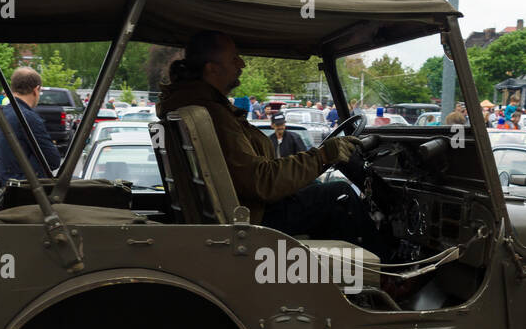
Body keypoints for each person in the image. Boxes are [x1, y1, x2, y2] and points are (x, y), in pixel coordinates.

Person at [154, 30, 380, 255]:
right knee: (339, 194)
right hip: (251, 222)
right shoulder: (215, 116)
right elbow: (260, 181)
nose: (241, 64)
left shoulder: (200, 107)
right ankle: (388, 277)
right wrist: (321, 156)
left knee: (315, 188)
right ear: (212, 68)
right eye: (234, 58)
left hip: (240, 213)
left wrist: (316, 161)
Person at [0, 67, 60, 189]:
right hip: (24, 190)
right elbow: (52, 160)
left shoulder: (3, 114)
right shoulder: (29, 118)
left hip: (2, 186)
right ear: (36, 90)